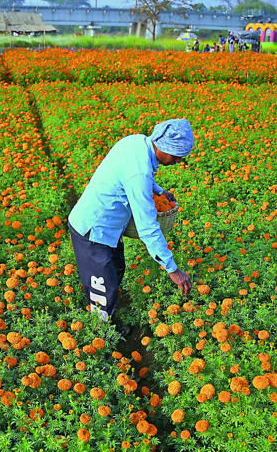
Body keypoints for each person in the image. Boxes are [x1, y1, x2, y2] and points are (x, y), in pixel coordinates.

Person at [68, 119, 195, 322]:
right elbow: (148, 227)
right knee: (101, 290)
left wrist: (160, 192)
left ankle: (110, 323)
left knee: (115, 272)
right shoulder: (139, 173)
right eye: (177, 156)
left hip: (110, 228)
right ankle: (100, 339)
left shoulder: (137, 142)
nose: (178, 161)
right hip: (93, 230)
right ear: (164, 147)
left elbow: (136, 175)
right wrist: (173, 270)